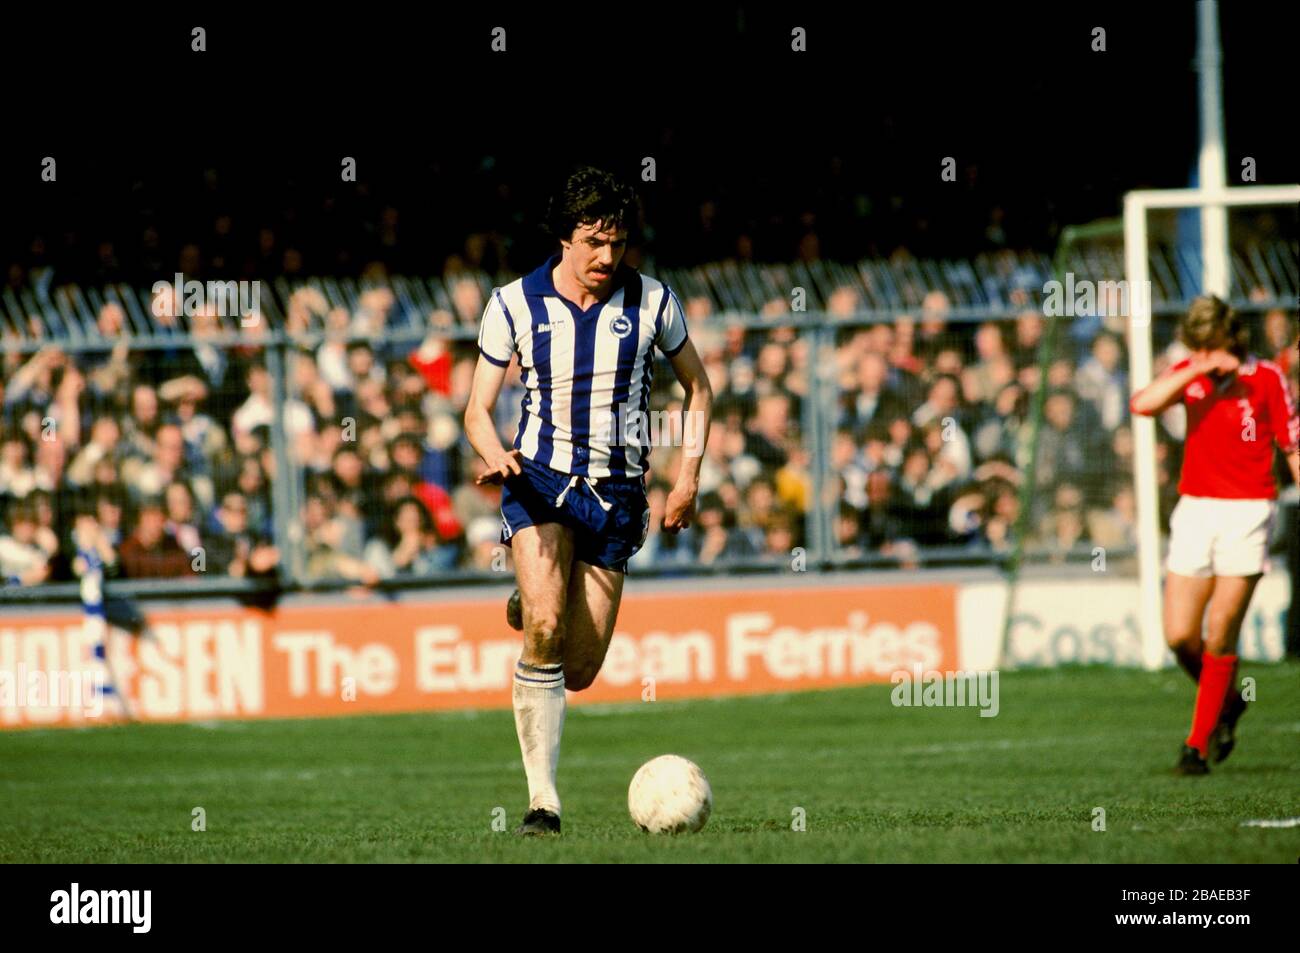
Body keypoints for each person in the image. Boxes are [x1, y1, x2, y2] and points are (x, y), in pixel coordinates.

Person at [463, 167, 713, 835]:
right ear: (566, 238)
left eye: (619, 242)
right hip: (538, 480)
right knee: (547, 631)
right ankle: (543, 802)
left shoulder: (654, 301)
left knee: (578, 668)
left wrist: (687, 475)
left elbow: (700, 389)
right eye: (594, 240)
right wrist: (494, 453)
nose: (607, 256)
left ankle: (528, 604)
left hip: (618, 495)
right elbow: (476, 410)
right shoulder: (513, 303)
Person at [1129, 295, 1299, 775]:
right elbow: (1142, 404)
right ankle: (1227, 702)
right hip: (1196, 511)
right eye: (1195, 344)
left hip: (1247, 513)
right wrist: (1194, 369)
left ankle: (1197, 746)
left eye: (1210, 343)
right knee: (1181, 636)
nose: (1201, 352)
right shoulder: (1192, 373)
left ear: (1231, 336)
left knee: (1220, 633)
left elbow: (1292, 443)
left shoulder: (1265, 378)